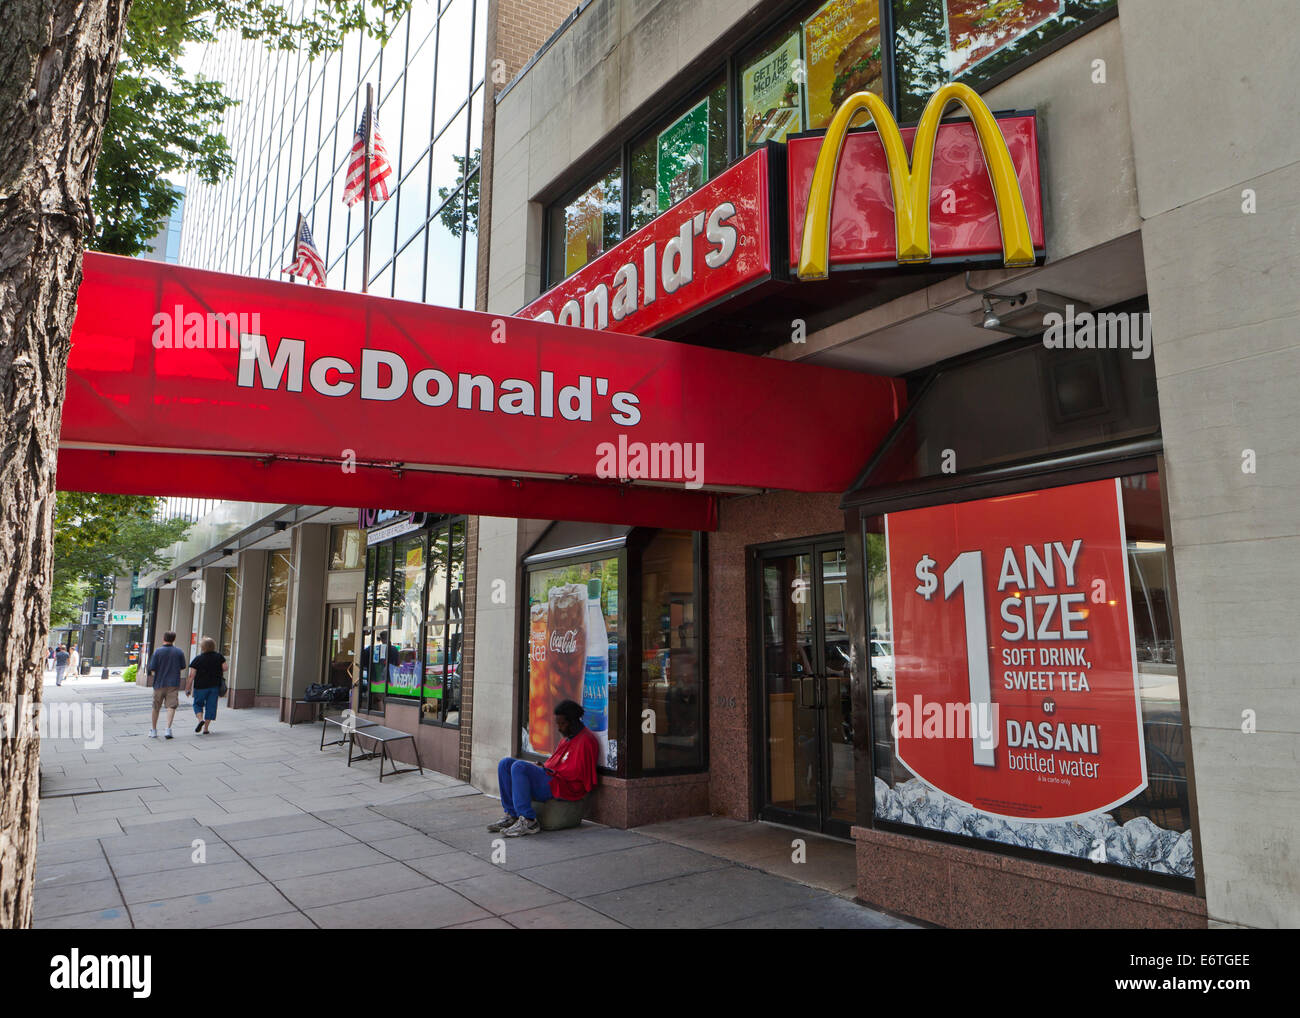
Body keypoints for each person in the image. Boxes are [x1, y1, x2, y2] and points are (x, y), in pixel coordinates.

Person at [489, 700, 599, 837]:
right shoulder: (567, 738)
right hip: (553, 778)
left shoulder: (586, 741)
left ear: (573, 721)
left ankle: (529, 821)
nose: (559, 728)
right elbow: (557, 762)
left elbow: (577, 776)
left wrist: (546, 771)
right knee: (505, 763)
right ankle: (512, 815)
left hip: (563, 787)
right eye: (557, 723)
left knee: (519, 767)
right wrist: (543, 767)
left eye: (562, 724)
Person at [146, 631, 187, 740]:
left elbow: (152, 667)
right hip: (173, 683)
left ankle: (153, 730)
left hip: (159, 683)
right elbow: (183, 666)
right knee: (171, 706)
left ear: (164, 638)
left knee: (156, 707)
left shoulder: (158, 652)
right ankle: (168, 729)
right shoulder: (179, 652)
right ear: (174, 639)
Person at [186, 636, 228, 735]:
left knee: (197, 704)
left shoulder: (198, 659)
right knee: (211, 706)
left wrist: (187, 688)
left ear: (202, 647)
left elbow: (191, 675)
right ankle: (206, 728)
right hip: (214, 686)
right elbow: (225, 668)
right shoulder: (219, 656)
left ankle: (200, 719)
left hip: (200, 686)